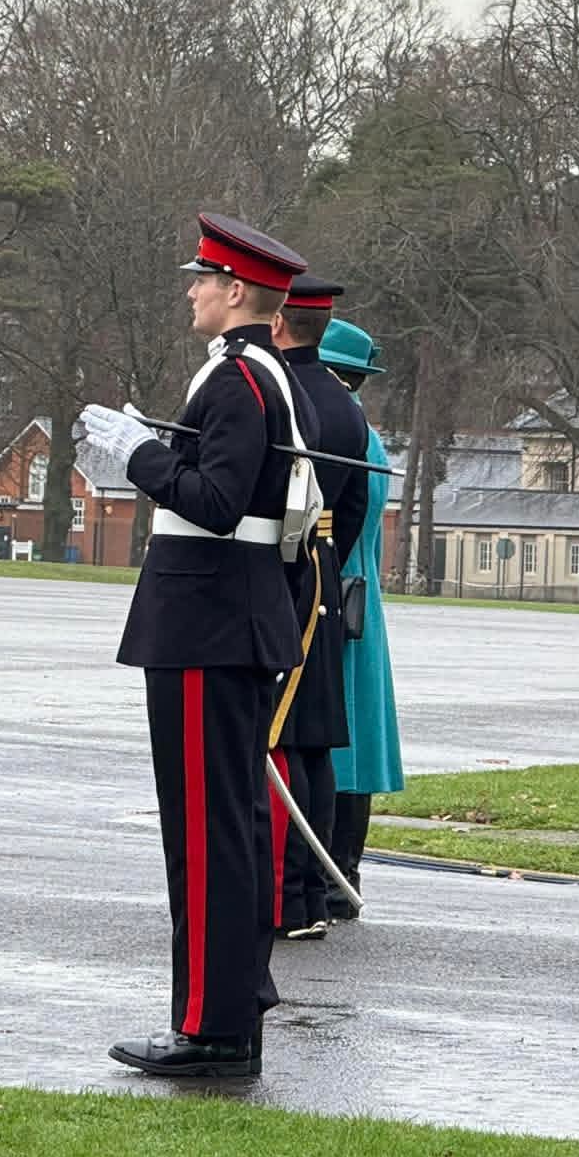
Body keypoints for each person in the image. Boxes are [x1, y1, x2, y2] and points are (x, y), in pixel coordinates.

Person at [77, 213, 310, 1079]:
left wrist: (140, 455)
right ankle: (227, 1010)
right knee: (225, 823)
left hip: (207, 620)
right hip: (219, 619)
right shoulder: (252, 372)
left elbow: (215, 504)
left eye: (203, 280)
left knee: (207, 830)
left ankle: (212, 1025)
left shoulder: (240, 377)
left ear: (236, 290)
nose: (193, 292)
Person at [267, 275, 369, 941]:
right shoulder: (344, 404)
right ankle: (311, 893)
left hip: (283, 572)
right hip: (324, 569)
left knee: (279, 739)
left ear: (278, 321)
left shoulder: (277, 392)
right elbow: (351, 509)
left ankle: (287, 895)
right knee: (313, 743)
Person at [317, 318, 405, 919]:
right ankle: (344, 870)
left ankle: (329, 875)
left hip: (334, 594)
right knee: (358, 738)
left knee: (333, 738)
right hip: (361, 598)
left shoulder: (336, 433)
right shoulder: (367, 435)